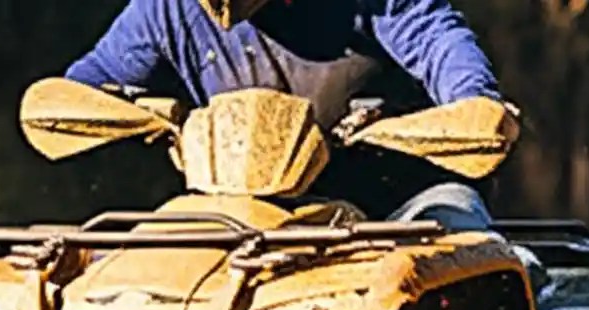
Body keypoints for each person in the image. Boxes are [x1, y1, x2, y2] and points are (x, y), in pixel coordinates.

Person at [62, 0, 506, 232]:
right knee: (124, 275)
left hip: (394, 210)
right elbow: (88, 85)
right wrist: (78, 106)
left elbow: (437, 39)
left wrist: (471, 99)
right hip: (239, 219)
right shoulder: (165, 9)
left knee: (459, 238)